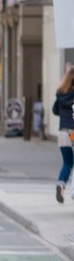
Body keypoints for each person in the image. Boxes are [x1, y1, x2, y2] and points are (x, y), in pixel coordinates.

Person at [55, 66, 74, 203]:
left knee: (67, 162)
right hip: (73, 131)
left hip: (63, 132)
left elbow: (55, 110)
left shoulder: (60, 93)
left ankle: (61, 184)